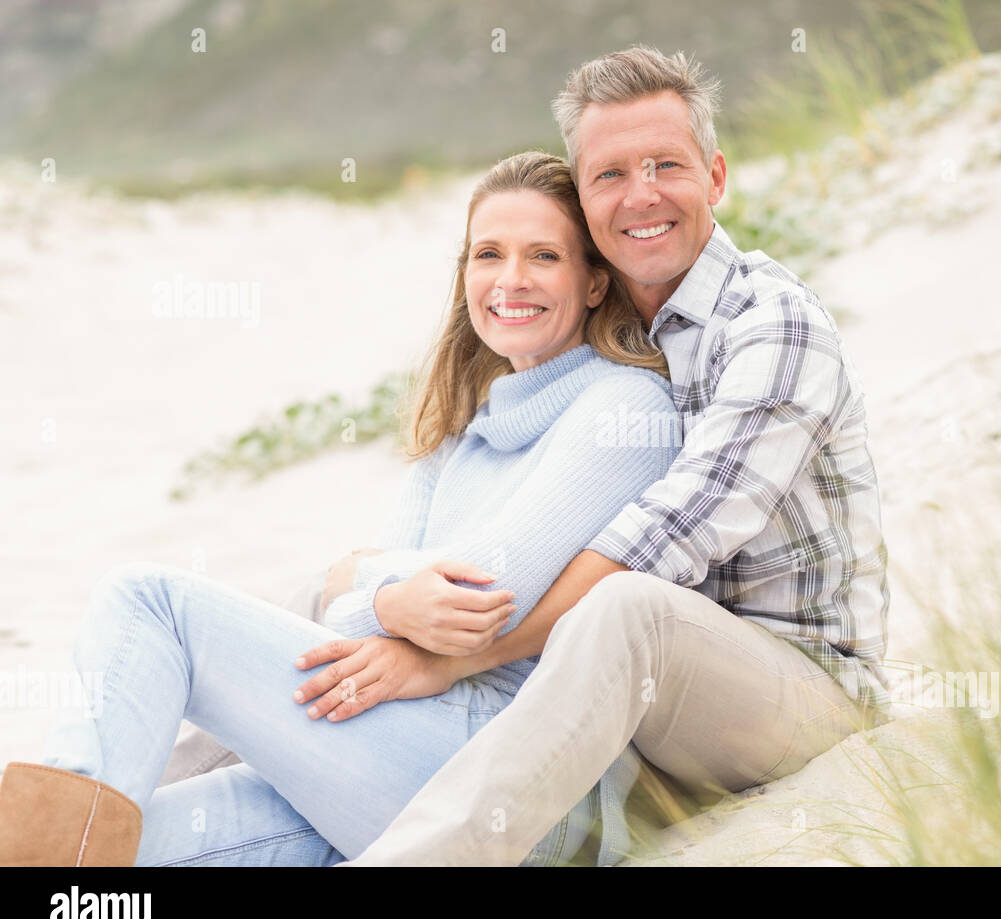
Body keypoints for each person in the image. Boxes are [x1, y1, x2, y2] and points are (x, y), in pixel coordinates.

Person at [0, 150, 681, 867]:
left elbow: (478, 599)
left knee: (147, 603)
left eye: (543, 256)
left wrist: (365, 584)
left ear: (595, 281)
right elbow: (359, 613)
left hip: (513, 778)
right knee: (104, 849)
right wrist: (385, 601)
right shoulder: (460, 436)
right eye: (489, 254)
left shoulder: (623, 408)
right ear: (465, 275)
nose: (511, 279)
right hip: (380, 769)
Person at [339, 45, 892, 867]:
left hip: (801, 694)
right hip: (645, 714)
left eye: (665, 165)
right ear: (584, 197)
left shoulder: (769, 322)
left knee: (627, 604)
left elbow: (679, 530)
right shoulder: (611, 345)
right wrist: (380, 601)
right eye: (609, 175)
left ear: (715, 177)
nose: (641, 195)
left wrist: (457, 659)